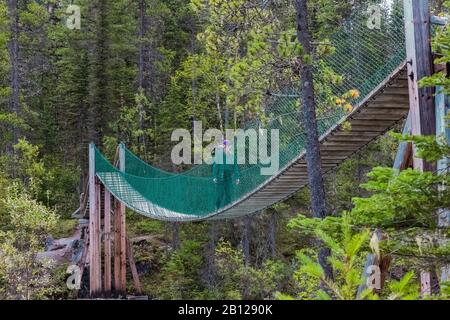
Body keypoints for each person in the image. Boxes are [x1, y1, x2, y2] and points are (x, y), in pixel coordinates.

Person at [212, 139, 240, 210]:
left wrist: (237, 177)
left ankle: (226, 208)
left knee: (229, 194)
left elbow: (235, 167)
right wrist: (214, 176)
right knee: (220, 194)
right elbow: (215, 166)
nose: (228, 147)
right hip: (220, 178)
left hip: (229, 178)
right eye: (227, 146)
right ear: (224, 146)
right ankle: (217, 207)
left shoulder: (232, 156)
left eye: (229, 146)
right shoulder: (219, 155)